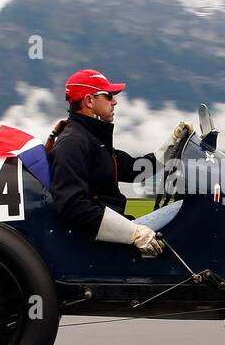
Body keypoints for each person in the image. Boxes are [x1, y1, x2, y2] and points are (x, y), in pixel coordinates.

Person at [46, 69, 191, 256]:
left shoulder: (92, 139)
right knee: (190, 214)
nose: (114, 101)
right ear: (89, 101)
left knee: (186, 208)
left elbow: (135, 169)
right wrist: (133, 233)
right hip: (102, 241)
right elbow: (73, 207)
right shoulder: (73, 144)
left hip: (119, 228)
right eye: (108, 95)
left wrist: (172, 142)